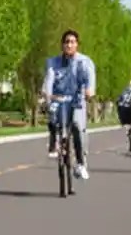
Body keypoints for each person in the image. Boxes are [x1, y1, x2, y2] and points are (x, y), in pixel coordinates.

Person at [41, 29, 96, 180]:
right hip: (58, 98)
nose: (69, 45)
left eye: (72, 42)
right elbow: (49, 81)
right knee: (52, 116)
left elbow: (90, 78)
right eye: (66, 42)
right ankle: (53, 143)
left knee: (77, 125)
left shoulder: (84, 62)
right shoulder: (53, 63)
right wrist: (47, 95)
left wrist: (89, 90)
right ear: (62, 45)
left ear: (77, 45)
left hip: (77, 99)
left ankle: (80, 163)